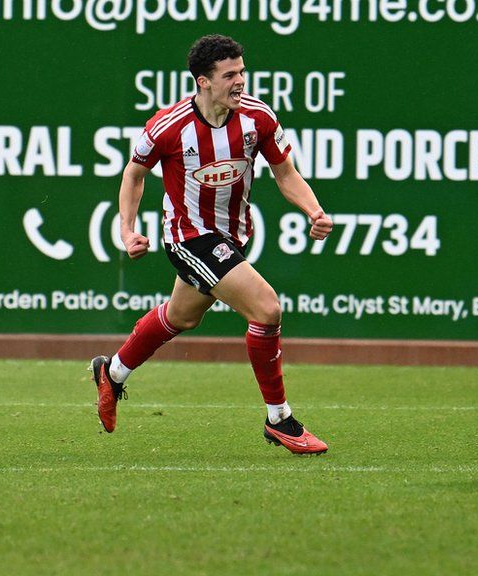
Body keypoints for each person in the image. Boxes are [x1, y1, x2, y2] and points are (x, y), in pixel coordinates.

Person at [88, 34, 333, 455]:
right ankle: (280, 420)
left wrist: (314, 210)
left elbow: (285, 173)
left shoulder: (258, 118)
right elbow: (133, 174)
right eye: (230, 75)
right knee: (267, 308)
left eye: (242, 71)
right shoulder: (168, 127)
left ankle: (113, 371)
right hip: (189, 237)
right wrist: (127, 230)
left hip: (233, 236)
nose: (241, 81)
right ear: (203, 81)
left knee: (180, 317)